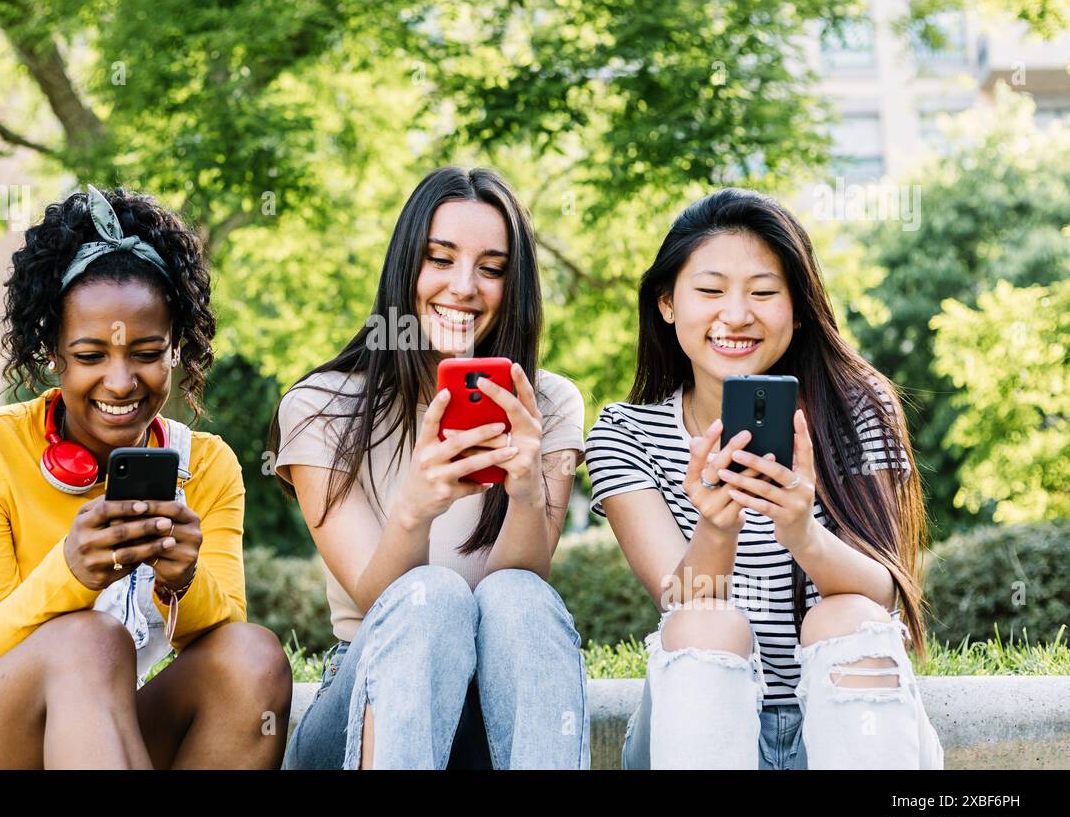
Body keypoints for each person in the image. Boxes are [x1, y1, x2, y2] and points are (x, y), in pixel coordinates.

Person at [0, 185, 292, 769]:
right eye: (92, 355)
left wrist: (181, 581)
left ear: (176, 348)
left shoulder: (207, 466)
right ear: (53, 352)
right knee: (90, 639)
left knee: (252, 656)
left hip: (99, 739)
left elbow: (219, 650)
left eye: (147, 351)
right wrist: (69, 572)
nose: (121, 382)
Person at [585, 187, 944, 770]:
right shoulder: (625, 434)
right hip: (706, 725)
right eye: (708, 290)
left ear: (797, 308)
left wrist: (800, 529)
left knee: (844, 612)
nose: (735, 314)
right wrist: (717, 525)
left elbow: (884, 590)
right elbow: (680, 600)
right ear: (666, 303)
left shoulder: (858, 410)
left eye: (763, 292)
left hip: (838, 725)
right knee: (705, 623)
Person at [273, 167, 589, 769]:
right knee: (429, 597)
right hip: (365, 708)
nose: (464, 287)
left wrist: (525, 494)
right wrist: (415, 509)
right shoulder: (322, 406)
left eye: (492, 268)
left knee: (519, 596)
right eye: (439, 259)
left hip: (494, 715)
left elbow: (526, 587)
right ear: (404, 268)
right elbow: (375, 599)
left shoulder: (547, 403)